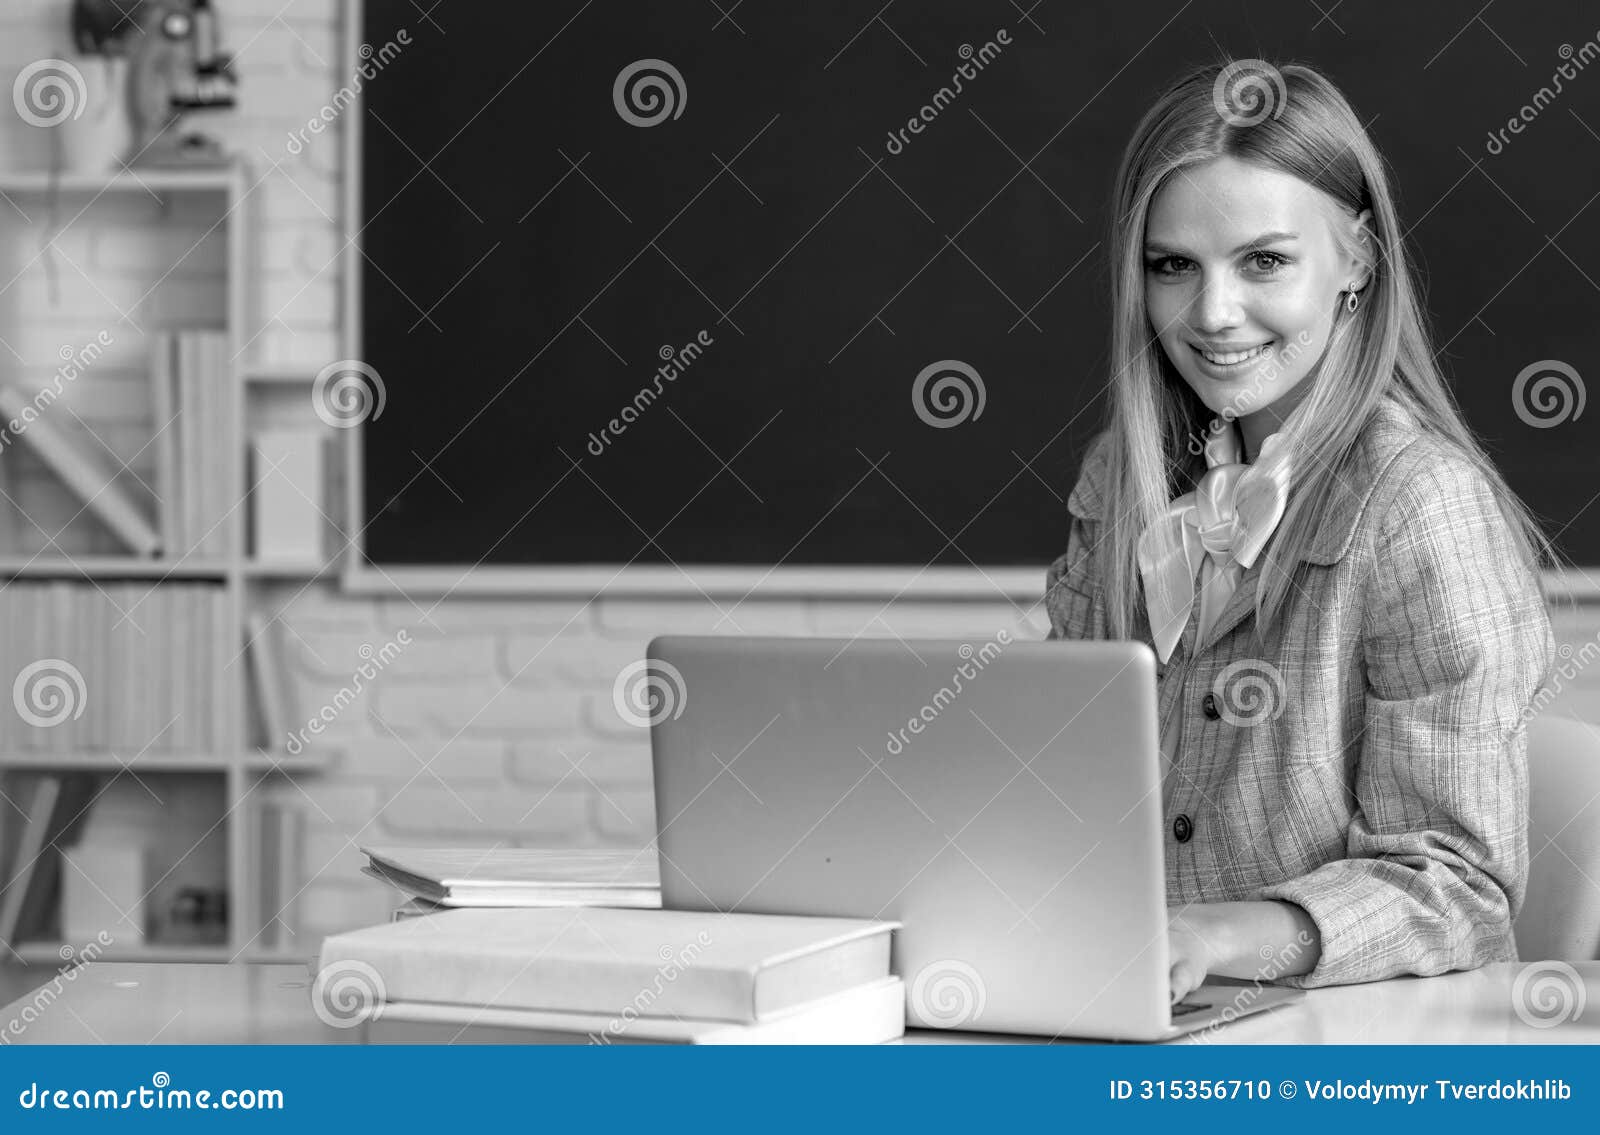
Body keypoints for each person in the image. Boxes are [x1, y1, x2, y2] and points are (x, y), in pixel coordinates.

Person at [1043, 58, 1560, 1004]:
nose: (1211, 314)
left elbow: (1460, 890)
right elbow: (1054, 784)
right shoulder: (1119, 479)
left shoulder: (1422, 505)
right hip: (1115, 1013)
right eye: (1172, 267)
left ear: (1357, 262)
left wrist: (1212, 933)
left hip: (1348, 1042)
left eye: (1265, 261)